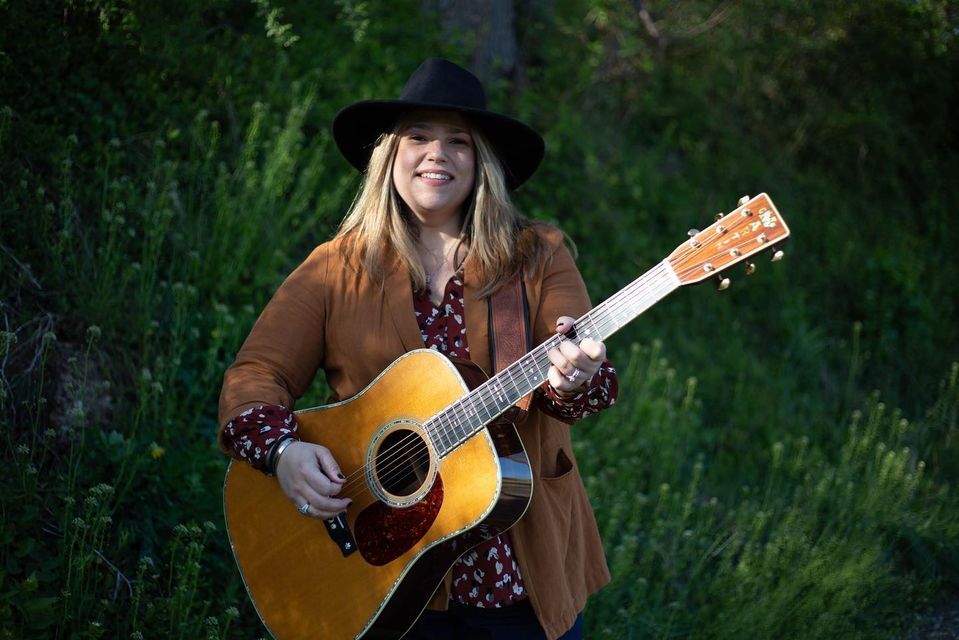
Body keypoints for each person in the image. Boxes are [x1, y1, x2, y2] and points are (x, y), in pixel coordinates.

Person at [218, 58, 618, 640]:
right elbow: (256, 373)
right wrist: (284, 455)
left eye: (459, 141)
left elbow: (585, 385)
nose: (438, 153)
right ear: (390, 156)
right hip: (384, 579)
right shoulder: (337, 268)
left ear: (483, 163)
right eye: (419, 137)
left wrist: (576, 376)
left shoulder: (538, 256)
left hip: (519, 578)